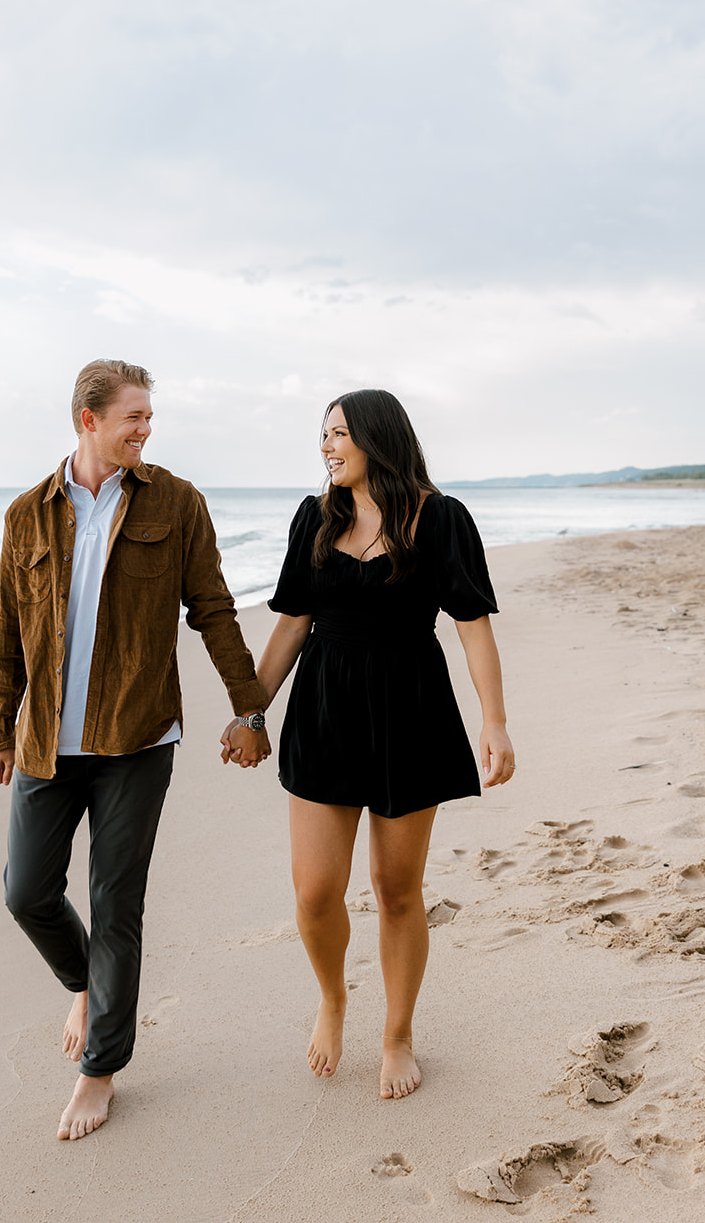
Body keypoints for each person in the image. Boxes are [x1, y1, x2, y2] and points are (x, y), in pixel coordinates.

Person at [0, 359, 266, 1141]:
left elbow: (212, 608)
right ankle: (86, 983)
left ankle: (99, 1071)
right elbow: (6, 629)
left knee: (115, 904)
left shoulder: (175, 502)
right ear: (90, 419)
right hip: (46, 742)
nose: (146, 428)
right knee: (25, 893)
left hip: (137, 738)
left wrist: (248, 708)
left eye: (148, 415)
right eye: (133, 417)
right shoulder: (26, 515)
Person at [221, 389, 514, 1100]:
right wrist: (251, 713)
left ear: (376, 438)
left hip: (409, 711)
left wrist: (494, 722)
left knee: (395, 890)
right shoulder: (316, 516)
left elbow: (472, 625)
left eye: (339, 434)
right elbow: (292, 623)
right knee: (315, 890)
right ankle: (332, 998)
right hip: (325, 710)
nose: (326, 446)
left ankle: (397, 1035)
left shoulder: (439, 518)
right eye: (323, 435)